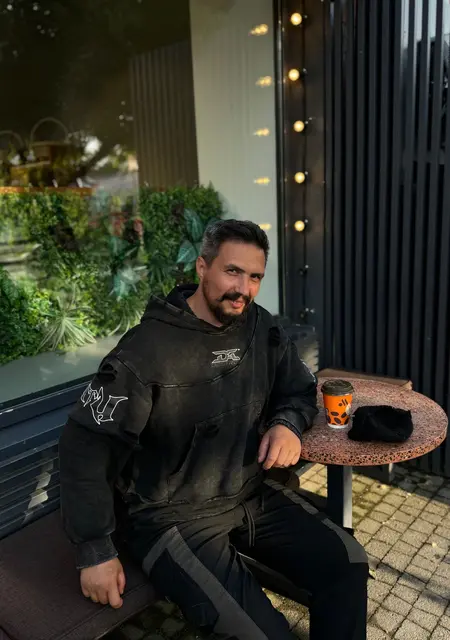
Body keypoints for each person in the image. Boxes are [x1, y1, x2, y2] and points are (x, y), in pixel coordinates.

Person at [59, 219, 368, 639]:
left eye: (255, 276)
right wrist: (95, 550)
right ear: (202, 267)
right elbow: (85, 449)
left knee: (347, 563)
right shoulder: (144, 351)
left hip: (248, 493)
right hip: (170, 518)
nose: (243, 288)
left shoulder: (261, 327)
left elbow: (299, 389)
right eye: (232, 271)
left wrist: (287, 425)